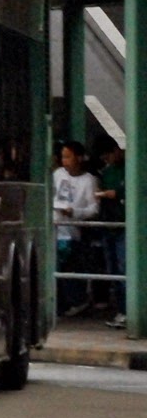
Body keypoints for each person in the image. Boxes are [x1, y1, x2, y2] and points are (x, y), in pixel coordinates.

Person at [53, 139, 100, 317]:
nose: (64, 161)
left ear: (79, 158)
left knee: (69, 267)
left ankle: (76, 301)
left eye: (68, 157)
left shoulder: (89, 181)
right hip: (55, 227)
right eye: (62, 157)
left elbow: (93, 209)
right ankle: (59, 304)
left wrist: (75, 212)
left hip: (72, 231)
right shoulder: (58, 174)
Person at [94, 136, 127, 329]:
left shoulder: (129, 169)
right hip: (109, 225)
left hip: (124, 225)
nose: (107, 159)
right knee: (113, 269)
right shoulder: (106, 172)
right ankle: (122, 310)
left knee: (124, 268)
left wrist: (113, 194)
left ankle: (130, 310)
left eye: (109, 155)